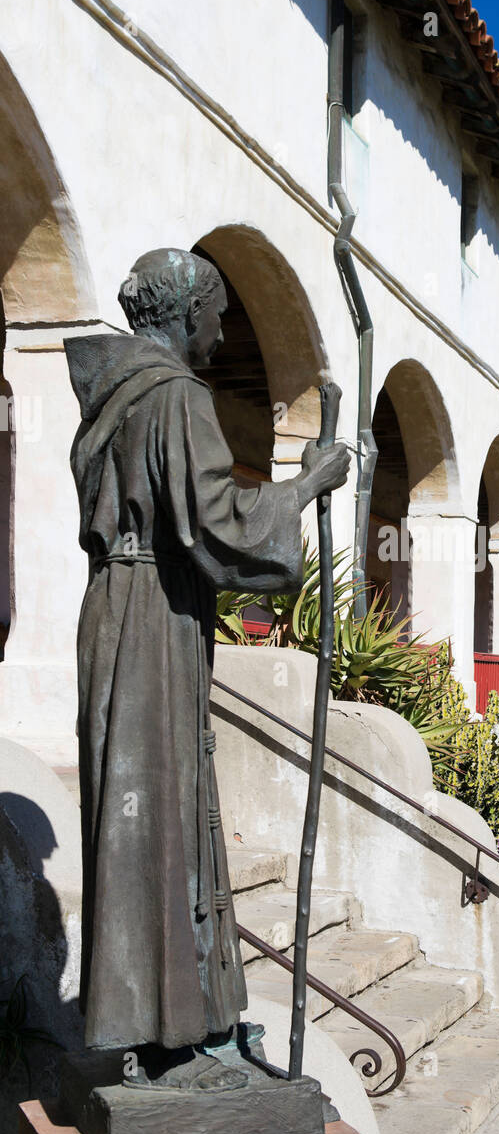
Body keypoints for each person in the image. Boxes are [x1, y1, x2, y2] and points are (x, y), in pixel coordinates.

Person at [64, 248, 350, 1091]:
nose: (223, 335)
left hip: (119, 610)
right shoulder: (174, 397)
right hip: (154, 616)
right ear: (183, 315)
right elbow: (218, 527)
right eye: (215, 315)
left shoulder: (109, 402)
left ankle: (175, 1026)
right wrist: (306, 487)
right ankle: (173, 1040)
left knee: (149, 821)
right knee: (159, 821)